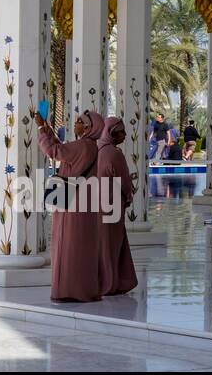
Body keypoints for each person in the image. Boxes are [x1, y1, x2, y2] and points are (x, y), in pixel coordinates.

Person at [34, 107, 105, 302]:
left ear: (89, 127)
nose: (76, 124)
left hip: (72, 201)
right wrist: (48, 131)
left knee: (69, 243)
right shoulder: (89, 146)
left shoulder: (83, 146)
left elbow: (54, 151)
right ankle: (83, 288)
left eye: (80, 122)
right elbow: (64, 151)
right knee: (81, 244)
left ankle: (68, 289)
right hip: (82, 200)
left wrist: (41, 129)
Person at [96, 115, 138, 296]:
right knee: (112, 245)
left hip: (95, 204)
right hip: (112, 204)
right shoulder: (114, 153)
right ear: (113, 133)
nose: (125, 135)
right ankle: (111, 283)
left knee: (102, 244)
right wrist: (128, 197)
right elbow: (124, 182)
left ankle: (101, 281)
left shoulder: (96, 150)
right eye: (122, 132)